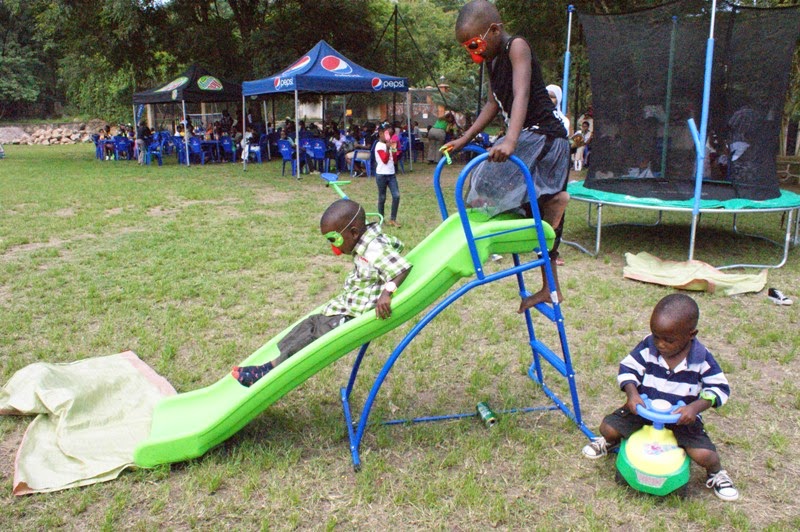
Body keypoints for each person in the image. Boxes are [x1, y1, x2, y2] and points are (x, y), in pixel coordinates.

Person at [444, 0, 570, 312]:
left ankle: (550, 202)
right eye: (467, 48)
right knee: (524, 209)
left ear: (495, 30)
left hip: (543, 137)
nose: (474, 52)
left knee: (484, 181)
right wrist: (464, 138)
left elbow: (522, 93)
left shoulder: (517, 47)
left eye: (475, 44)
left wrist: (511, 139)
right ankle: (549, 286)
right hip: (525, 135)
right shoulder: (492, 60)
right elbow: (492, 105)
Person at [231, 199, 413, 387]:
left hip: (351, 316)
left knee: (312, 338)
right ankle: (273, 361)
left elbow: (401, 268)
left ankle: (269, 371)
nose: (333, 246)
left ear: (354, 233)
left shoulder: (375, 248)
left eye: (334, 239)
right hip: (345, 305)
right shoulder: (364, 244)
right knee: (309, 323)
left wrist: (387, 293)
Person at [582, 294, 738, 502]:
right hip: (643, 410)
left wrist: (695, 408)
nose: (661, 344)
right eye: (656, 336)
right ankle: (610, 443)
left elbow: (719, 388)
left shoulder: (701, 358)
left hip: (681, 419)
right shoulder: (648, 347)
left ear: (691, 334)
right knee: (608, 428)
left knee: (705, 455)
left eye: (669, 340)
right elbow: (628, 368)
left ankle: (717, 473)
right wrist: (632, 394)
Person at [375, 124, 402, 228]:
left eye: (390, 135)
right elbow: (384, 160)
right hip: (381, 174)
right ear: (381, 134)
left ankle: (393, 219)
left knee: (396, 195)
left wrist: (394, 150)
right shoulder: (379, 146)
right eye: (387, 134)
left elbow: (394, 160)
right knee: (382, 198)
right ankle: (381, 219)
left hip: (391, 174)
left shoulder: (389, 144)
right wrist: (387, 148)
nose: (389, 137)